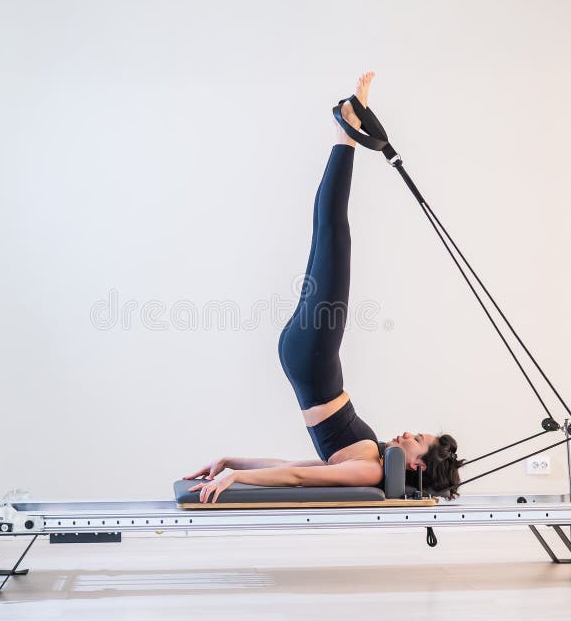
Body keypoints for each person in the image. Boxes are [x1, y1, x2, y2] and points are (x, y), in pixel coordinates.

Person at [186, 71, 464, 504]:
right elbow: (298, 466)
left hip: (315, 357)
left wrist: (237, 482)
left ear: (417, 465)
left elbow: (297, 479)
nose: (408, 432)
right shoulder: (368, 460)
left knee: (335, 233)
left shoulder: (369, 469)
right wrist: (232, 463)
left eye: (417, 438)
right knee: (325, 232)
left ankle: (345, 132)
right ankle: (344, 131)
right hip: (306, 357)